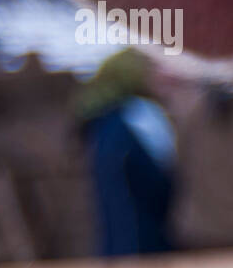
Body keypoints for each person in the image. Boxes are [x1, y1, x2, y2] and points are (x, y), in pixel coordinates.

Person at [74, 48, 176, 256]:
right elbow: (167, 169)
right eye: (152, 69)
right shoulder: (138, 115)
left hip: (116, 241)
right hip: (147, 238)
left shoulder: (99, 122)